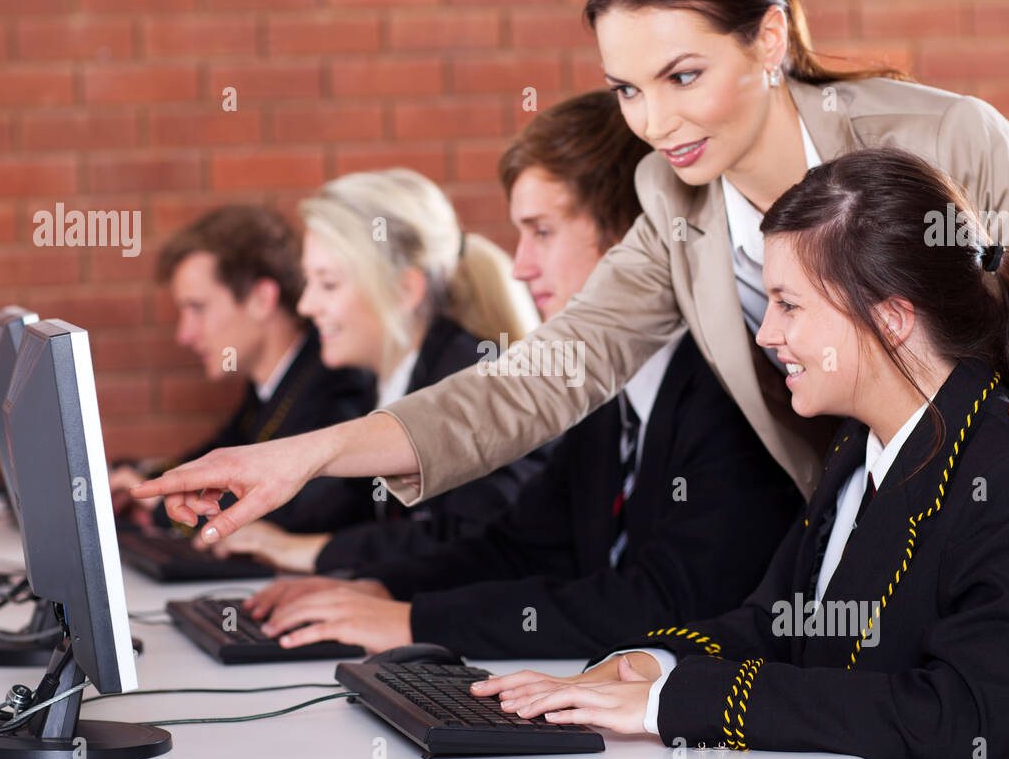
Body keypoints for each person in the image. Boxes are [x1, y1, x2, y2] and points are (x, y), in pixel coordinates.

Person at [132, 0, 1009, 652]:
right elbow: (540, 377)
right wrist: (304, 452)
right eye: (628, 89)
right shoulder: (672, 196)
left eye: (683, 76)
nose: (656, 121)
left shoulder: (947, 138)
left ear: (767, 40)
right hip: (962, 521)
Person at [473, 148, 1009, 759]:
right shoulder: (857, 446)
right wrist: (648, 665)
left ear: (891, 319)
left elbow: (957, 725)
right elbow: (779, 623)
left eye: (789, 304)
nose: (765, 333)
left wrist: (671, 703)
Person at [240, 91, 801, 656]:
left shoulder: (726, 393)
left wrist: (413, 623)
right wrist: (381, 590)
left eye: (543, 231)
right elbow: (520, 547)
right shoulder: (610, 395)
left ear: (639, 238)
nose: (521, 265)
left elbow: (667, 602)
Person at [197, 168, 547, 572]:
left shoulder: (472, 383)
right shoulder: (385, 383)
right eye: (308, 282)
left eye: (328, 284)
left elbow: (472, 543)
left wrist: (305, 551)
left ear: (404, 291)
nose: (307, 306)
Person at [108, 204, 376, 534]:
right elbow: (213, 459)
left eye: (198, 308)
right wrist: (140, 480)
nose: (184, 335)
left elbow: (309, 510)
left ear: (262, 299)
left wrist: (160, 508)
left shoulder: (336, 383)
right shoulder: (268, 386)